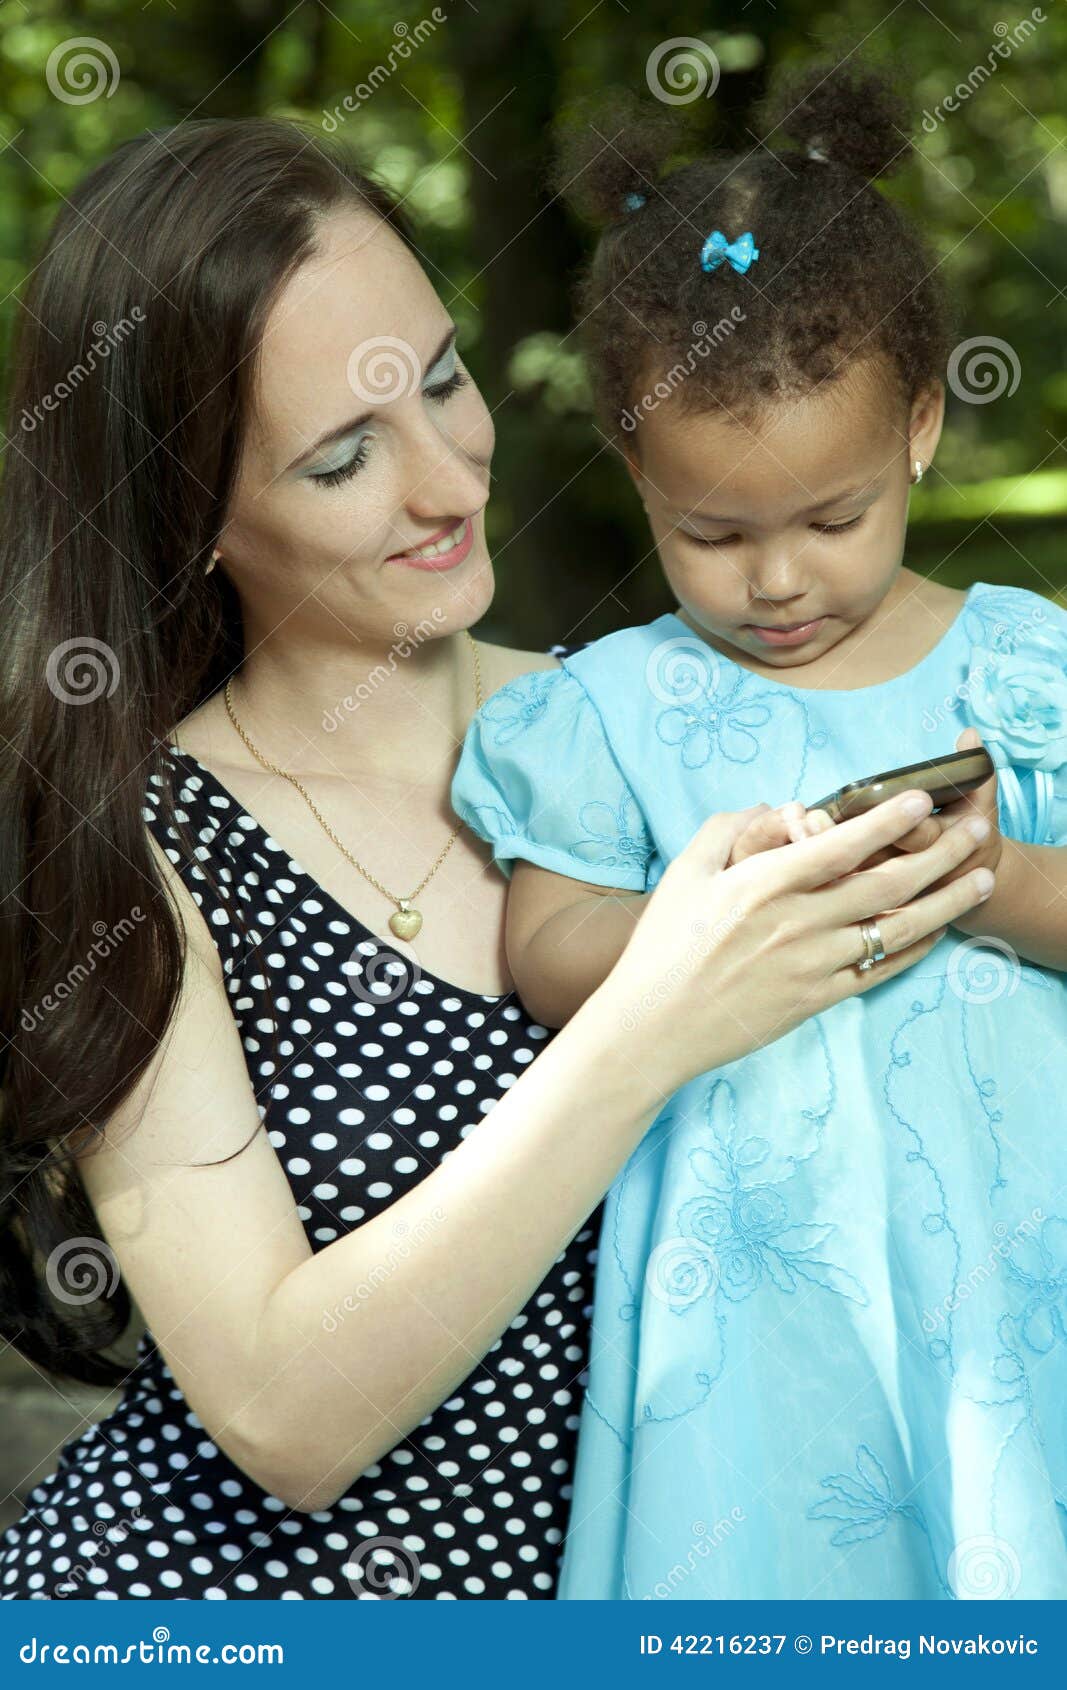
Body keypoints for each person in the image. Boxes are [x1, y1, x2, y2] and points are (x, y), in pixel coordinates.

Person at [0, 114, 987, 1601]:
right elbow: (284, 1414)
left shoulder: (672, 723)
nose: (454, 482)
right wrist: (649, 1026)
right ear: (192, 511)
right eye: (344, 457)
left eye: (442, 382)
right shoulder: (132, 841)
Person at [450, 58, 1067, 1599]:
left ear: (924, 425)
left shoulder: (1028, 671)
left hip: (1021, 1278)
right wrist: (715, 916)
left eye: (831, 518)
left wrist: (982, 874)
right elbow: (545, 946)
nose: (777, 582)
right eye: (712, 535)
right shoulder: (610, 706)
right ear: (634, 463)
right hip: (754, 1312)